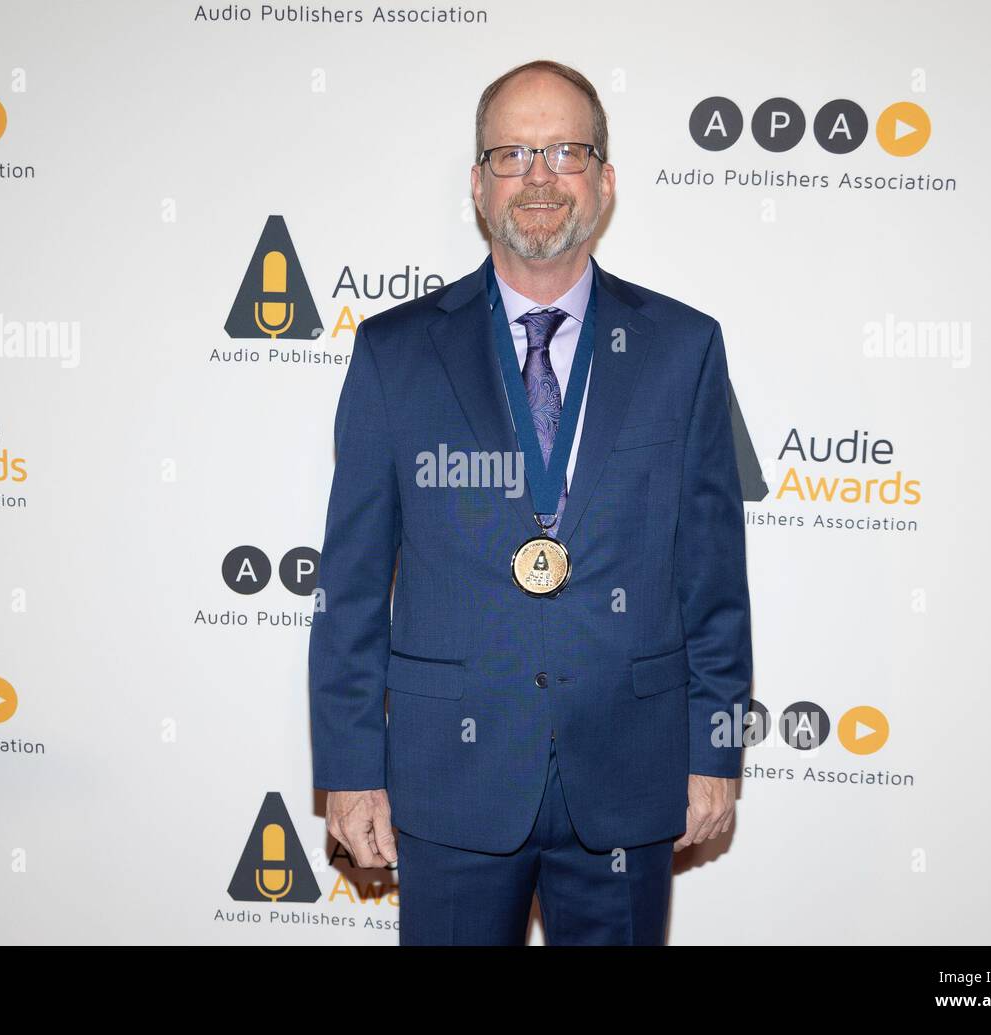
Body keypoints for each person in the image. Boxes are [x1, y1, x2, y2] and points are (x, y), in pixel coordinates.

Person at [308, 59, 753, 945]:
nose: (540, 177)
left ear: (606, 179)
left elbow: (712, 575)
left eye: (566, 151)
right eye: (512, 154)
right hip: (450, 781)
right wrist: (350, 770)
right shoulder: (394, 355)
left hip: (629, 771)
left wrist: (713, 750)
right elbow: (351, 584)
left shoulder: (682, 348)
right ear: (478, 184)